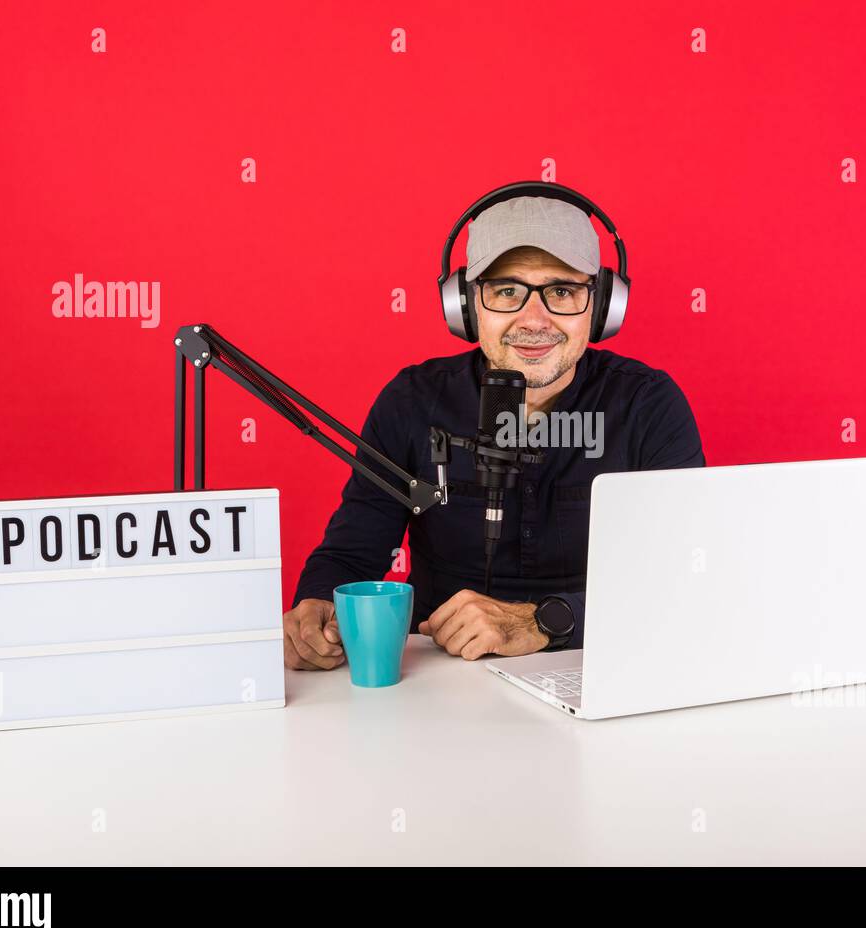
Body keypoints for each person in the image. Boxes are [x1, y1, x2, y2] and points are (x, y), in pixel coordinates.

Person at [283, 188, 703, 670]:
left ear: (602, 304)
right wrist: (317, 608)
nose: (534, 319)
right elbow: (351, 555)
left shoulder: (648, 405)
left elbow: (680, 577)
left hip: (603, 668)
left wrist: (540, 623)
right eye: (507, 291)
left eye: (562, 291)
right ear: (465, 304)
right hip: (440, 679)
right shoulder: (412, 401)